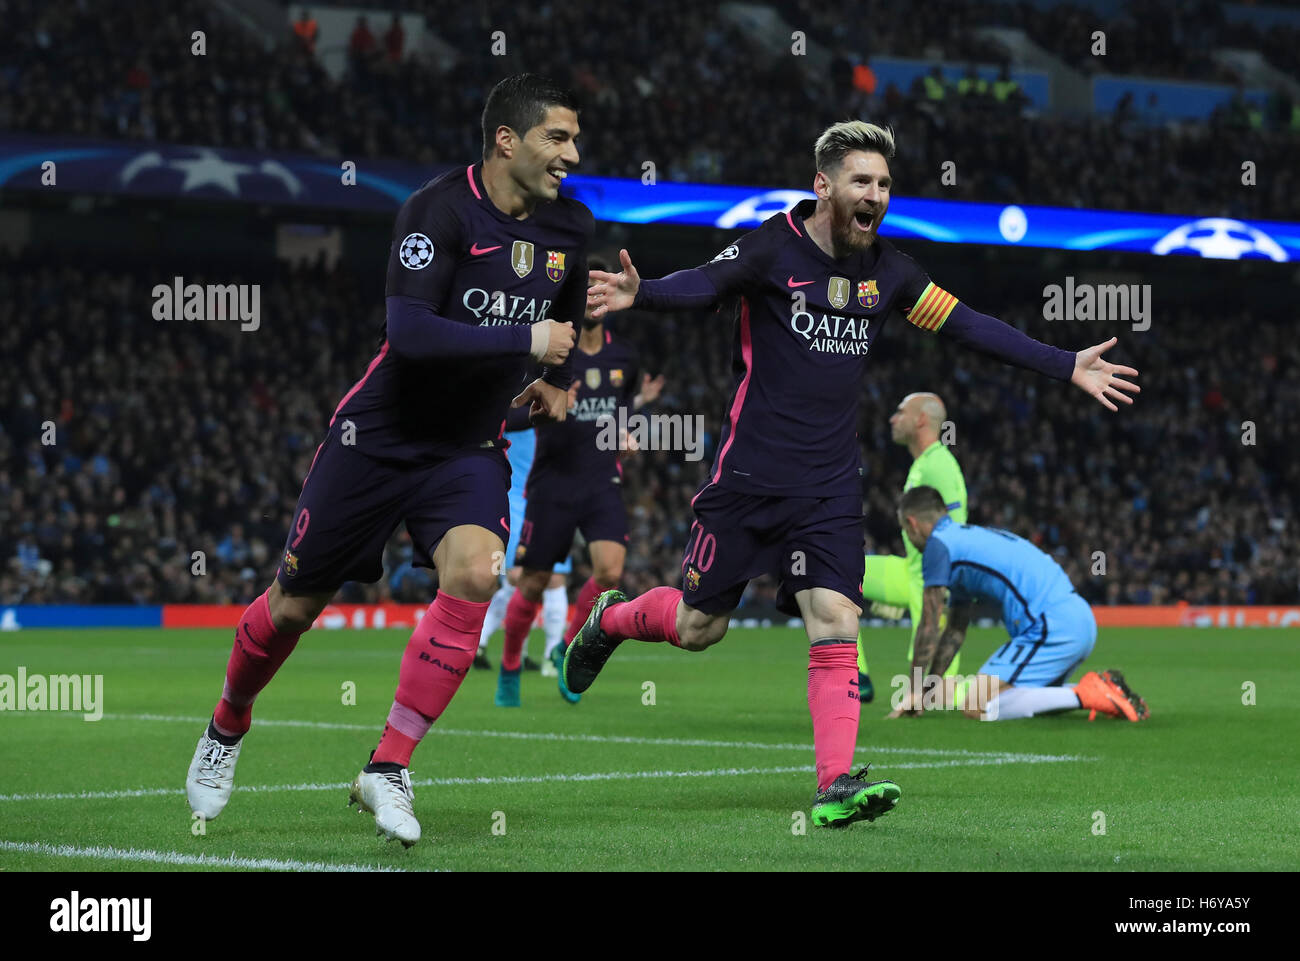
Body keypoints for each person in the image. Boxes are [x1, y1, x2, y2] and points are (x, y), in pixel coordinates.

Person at [569, 120, 1140, 828]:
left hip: (829, 486)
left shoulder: (891, 273)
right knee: (696, 628)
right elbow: (707, 282)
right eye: (862, 182)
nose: (875, 195)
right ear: (825, 186)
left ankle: (834, 783)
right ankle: (612, 618)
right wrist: (643, 292)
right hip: (749, 477)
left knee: (835, 617)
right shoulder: (773, 247)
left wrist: (1064, 363)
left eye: (884, 185)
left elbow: (968, 324)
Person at [185, 74, 591, 847]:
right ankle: (229, 721)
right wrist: (524, 342)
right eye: (558, 138)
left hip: (468, 445)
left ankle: (388, 764)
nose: (572, 153)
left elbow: (567, 315)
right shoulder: (435, 212)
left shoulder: (570, 226)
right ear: (507, 139)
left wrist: (559, 380)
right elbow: (411, 332)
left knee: (477, 571)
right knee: (295, 606)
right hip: (377, 438)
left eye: (575, 138)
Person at [498, 254, 662, 706]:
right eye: (583, 289)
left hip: (601, 479)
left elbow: (623, 408)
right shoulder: (547, 353)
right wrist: (544, 407)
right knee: (532, 583)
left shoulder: (624, 355)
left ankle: (570, 648)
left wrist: (628, 432)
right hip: (552, 483)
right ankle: (510, 665)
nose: (592, 298)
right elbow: (505, 417)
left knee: (610, 572)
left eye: (599, 288)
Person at [885, 486, 1149, 723]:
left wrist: (913, 690)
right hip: (1076, 619)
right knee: (1017, 699)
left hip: (1049, 625)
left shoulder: (937, 547)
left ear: (912, 524)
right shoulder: (964, 540)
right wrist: (927, 694)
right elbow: (955, 630)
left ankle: (1086, 693)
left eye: (906, 531)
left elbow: (929, 626)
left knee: (975, 705)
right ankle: (1104, 691)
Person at [856, 392, 968, 703]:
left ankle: (1030, 695)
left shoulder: (939, 466)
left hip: (933, 582)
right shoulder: (924, 464)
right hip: (912, 573)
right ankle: (856, 675)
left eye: (900, 412)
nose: (893, 418)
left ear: (920, 420)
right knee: (832, 573)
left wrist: (945, 587)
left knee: (946, 695)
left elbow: (955, 531)